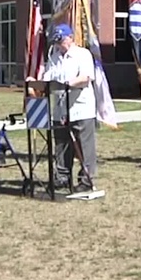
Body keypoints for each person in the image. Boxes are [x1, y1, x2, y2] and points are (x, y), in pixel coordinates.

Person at [27, 23, 98, 193]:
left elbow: (86, 77)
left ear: (70, 38)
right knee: (61, 145)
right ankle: (62, 177)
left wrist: (67, 84)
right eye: (57, 42)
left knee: (84, 147)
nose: (59, 45)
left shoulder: (83, 54)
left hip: (81, 108)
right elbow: (48, 80)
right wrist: (34, 83)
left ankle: (86, 180)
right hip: (60, 110)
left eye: (61, 41)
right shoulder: (54, 58)